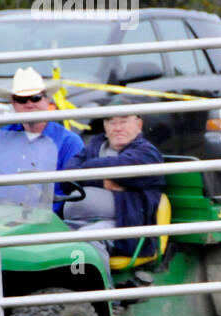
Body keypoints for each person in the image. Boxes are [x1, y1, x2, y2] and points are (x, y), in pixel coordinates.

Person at [62, 98, 166, 277]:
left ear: (139, 124)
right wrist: (103, 181)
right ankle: (63, 290)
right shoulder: (93, 146)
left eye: (124, 121)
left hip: (125, 225)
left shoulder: (147, 153)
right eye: (112, 122)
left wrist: (87, 170)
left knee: (86, 240)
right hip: (78, 221)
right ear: (105, 125)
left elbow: (121, 168)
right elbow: (66, 178)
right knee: (46, 238)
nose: (117, 128)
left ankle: (104, 299)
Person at [0, 67, 84, 212]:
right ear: (14, 104)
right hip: (0, 216)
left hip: (47, 220)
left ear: (46, 101)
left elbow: (72, 191)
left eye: (35, 98)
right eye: (22, 99)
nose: (29, 104)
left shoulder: (69, 141)